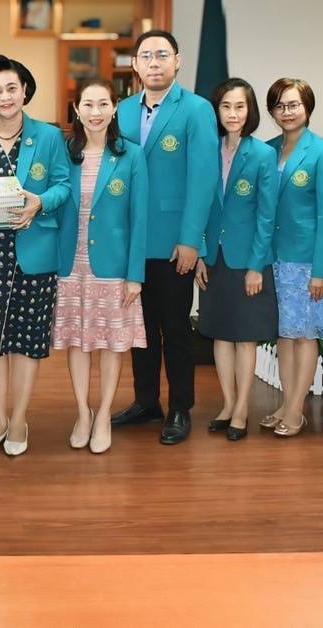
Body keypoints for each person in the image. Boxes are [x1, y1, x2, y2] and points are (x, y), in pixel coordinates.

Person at [0, 55, 72, 457]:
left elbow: (62, 186)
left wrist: (39, 202)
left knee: (26, 341)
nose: (5, 96)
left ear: (25, 90)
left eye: (11, 88)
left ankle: (19, 418)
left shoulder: (50, 136)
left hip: (33, 251)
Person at [111, 30, 218, 445]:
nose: (153, 63)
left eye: (161, 55)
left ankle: (179, 408)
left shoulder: (196, 109)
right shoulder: (121, 110)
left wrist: (193, 240)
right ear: (135, 65)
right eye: (145, 56)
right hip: (132, 242)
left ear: (178, 61)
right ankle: (145, 402)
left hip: (175, 243)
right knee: (139, 328)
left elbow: (204, 179)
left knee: (174, 330)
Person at [54, 79, 148, 454]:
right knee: (77, 342)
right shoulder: (65, 154)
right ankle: (83, 412)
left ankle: (105, 413)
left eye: (103, 104)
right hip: (70, 266)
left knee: (111, 345)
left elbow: (140, 219)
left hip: (113, 267)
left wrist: (135, 275)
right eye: (88, 105)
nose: (95, 112)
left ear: (115, 108)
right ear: (77, 110)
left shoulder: (132, 155)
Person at [194, 78, 277, 443]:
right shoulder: (206, 150)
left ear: (250, 110)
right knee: (220, 335)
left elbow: (267, 216)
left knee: (245, 338)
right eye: (226, 106)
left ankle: (242, 408)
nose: (232, 113)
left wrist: (257, 265)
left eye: (239, 106)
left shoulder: (263, 155)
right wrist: (198, 252)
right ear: (217, 110)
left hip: (247, 261)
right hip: (213, 257)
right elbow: (197, 207)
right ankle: (227, 405)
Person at [260, 78, 323, 438]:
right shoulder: (267, 149)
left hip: (308, 260)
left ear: (307, 107)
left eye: (294, 104)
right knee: (285, 336)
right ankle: (286, 401)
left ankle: (296, 410)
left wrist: (322, 270)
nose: (287, 112)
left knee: (305, 336)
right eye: (280, 106)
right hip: (275, 257)